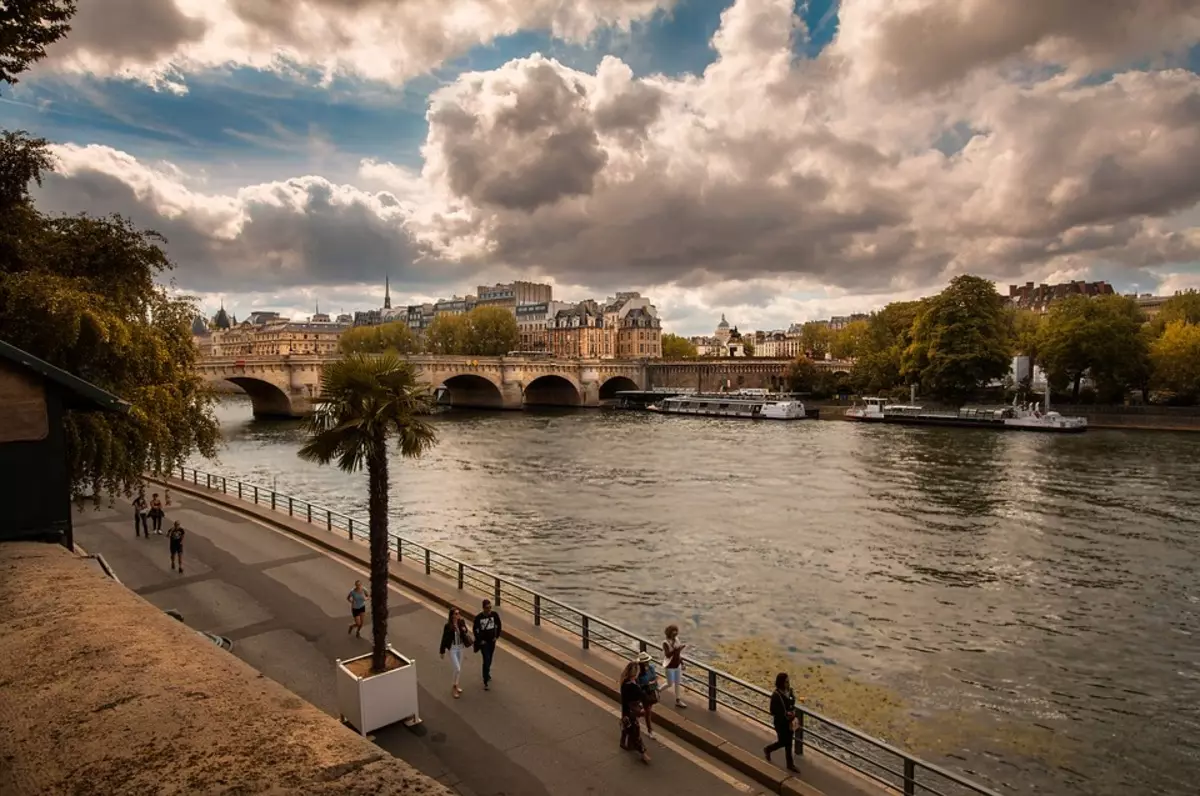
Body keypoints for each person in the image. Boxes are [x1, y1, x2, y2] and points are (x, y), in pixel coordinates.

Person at [764, 671, 800, 773]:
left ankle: (790, 764)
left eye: (788, 682)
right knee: (784, 742)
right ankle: (768, 749)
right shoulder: (776, 695)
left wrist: (792, 712)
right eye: (786, 682)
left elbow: (792, 701)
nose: (788, 684)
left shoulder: (789, 691)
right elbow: (773, 710)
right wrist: (785, 714)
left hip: (789, 722)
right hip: (780, 723)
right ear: (781, 683)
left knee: (788, 743)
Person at [619, 661, 650, 763]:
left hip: (626, 710)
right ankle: (643, 753)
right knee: (635, 731)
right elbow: (642, 696)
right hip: (632, 712)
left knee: (627, 727)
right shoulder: (633, 686)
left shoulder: (624, 682)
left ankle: (624, 742)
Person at [439, 607, 472, 698]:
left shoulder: (461, 622)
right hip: (453, 648)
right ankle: (454, 687)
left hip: (460, 647)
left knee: (458, 668)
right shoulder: (448, 626)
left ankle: (456, 684)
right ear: (452, 615)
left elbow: (465, 630)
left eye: (458, 613)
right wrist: (442, 651)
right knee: (457, 668)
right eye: (456, 614)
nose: (458, 615)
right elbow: (444, 638)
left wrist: (464, 629)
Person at [472, 599, 502, 690]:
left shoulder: (494, 615)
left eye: (490, 607)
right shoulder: (478, 618)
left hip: (491, 642)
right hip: (484, 643)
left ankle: (487, 672)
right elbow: (475, 630)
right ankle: (485, 680)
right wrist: (480, 640)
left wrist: (496, 637)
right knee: (486, 659)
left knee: (490, 658)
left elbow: (499, 625)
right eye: (487, 608)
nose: (489, 610)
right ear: (483, 608)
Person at [661, 625, 688, 708]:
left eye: (676, 631)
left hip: (677, 665)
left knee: (677, 683)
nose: (675, 633)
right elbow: (668, 655)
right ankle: (658, 690)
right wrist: (677, 649)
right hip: (670, 666)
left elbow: (678, 654)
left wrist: (682, 663)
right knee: (669, 683)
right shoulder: (665, 643)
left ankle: (678, 700)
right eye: (673, 631)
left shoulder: (677, 640)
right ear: (669, 632)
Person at [635, 652, 660, 739]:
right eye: (645, 662)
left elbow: (654, 678)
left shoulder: (651, 668)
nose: (647, 663)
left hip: (651, 691)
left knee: (648, 710)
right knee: (648, 711)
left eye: (647, 661)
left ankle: (637, 716)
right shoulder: (638, 672)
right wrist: (648, 683)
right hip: (643, 692)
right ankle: (650, 730)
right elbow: (638, 683)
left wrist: (655, 686)